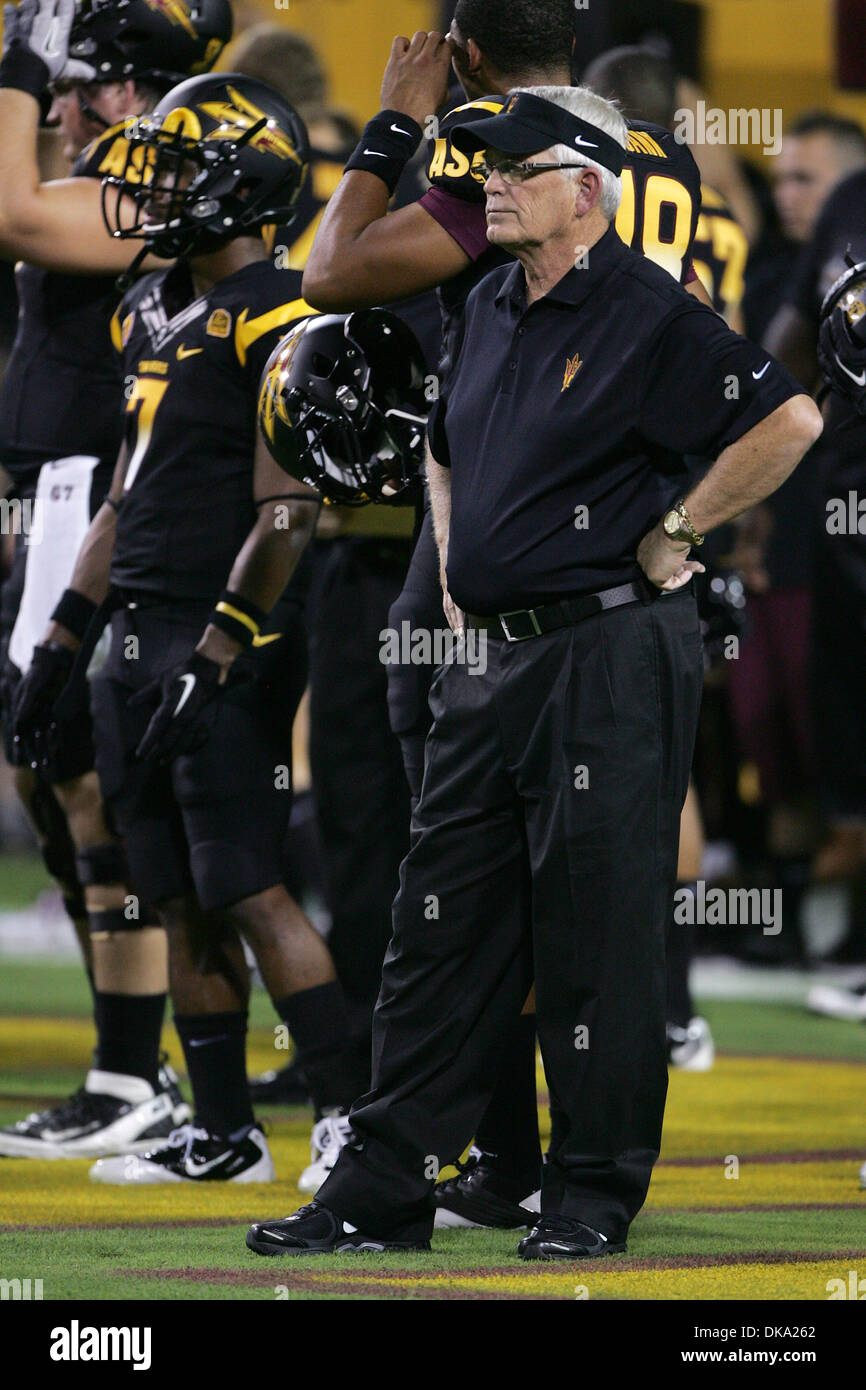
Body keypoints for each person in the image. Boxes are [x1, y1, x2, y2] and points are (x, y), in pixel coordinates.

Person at [244, 86, 821, 1259]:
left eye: (514, 167)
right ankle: (384, 1181)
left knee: (595, 932)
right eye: (485, 166)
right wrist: (456, 561)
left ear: (587, 188)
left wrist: (682, 529)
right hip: (495, 658)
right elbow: (443, 443)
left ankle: (591, 1194)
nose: (486, 184)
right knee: (433, 920)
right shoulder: (493, 299)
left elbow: (789, 421)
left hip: (608, 651)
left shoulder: (648, 308)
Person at [301, 7, 711, 1227]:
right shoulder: (653, 153)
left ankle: (523, 1162)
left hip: (531, 514)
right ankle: (483, 1163)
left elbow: (333, 270)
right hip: (614, 504)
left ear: (466, 50)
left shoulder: (500, 147)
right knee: (532, 872)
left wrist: (394, 122)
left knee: (484, 867)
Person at [14, 71, 371, 1185]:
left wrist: (219, 650)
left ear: (245, 180)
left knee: (245, 881)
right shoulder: (147, 303)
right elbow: (127, 489)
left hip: (227, 631)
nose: (153, 186)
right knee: (166, 889)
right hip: (135, 621)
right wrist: (66, 635)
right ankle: (219, 1130)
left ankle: (349, 1121)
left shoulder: (285, 310)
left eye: (178, 166)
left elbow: (288, 508)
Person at [0, 0, 231, 1159]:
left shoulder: (155, 186)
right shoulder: (101, 164)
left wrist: (16, 63)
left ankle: (135, 1074)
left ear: (133, 86)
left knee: (83, 782)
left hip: (100, 496)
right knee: (48, 777)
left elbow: (11, 215)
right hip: (52, 490)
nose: (63, 102)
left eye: (84, 80)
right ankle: (129, 1067)